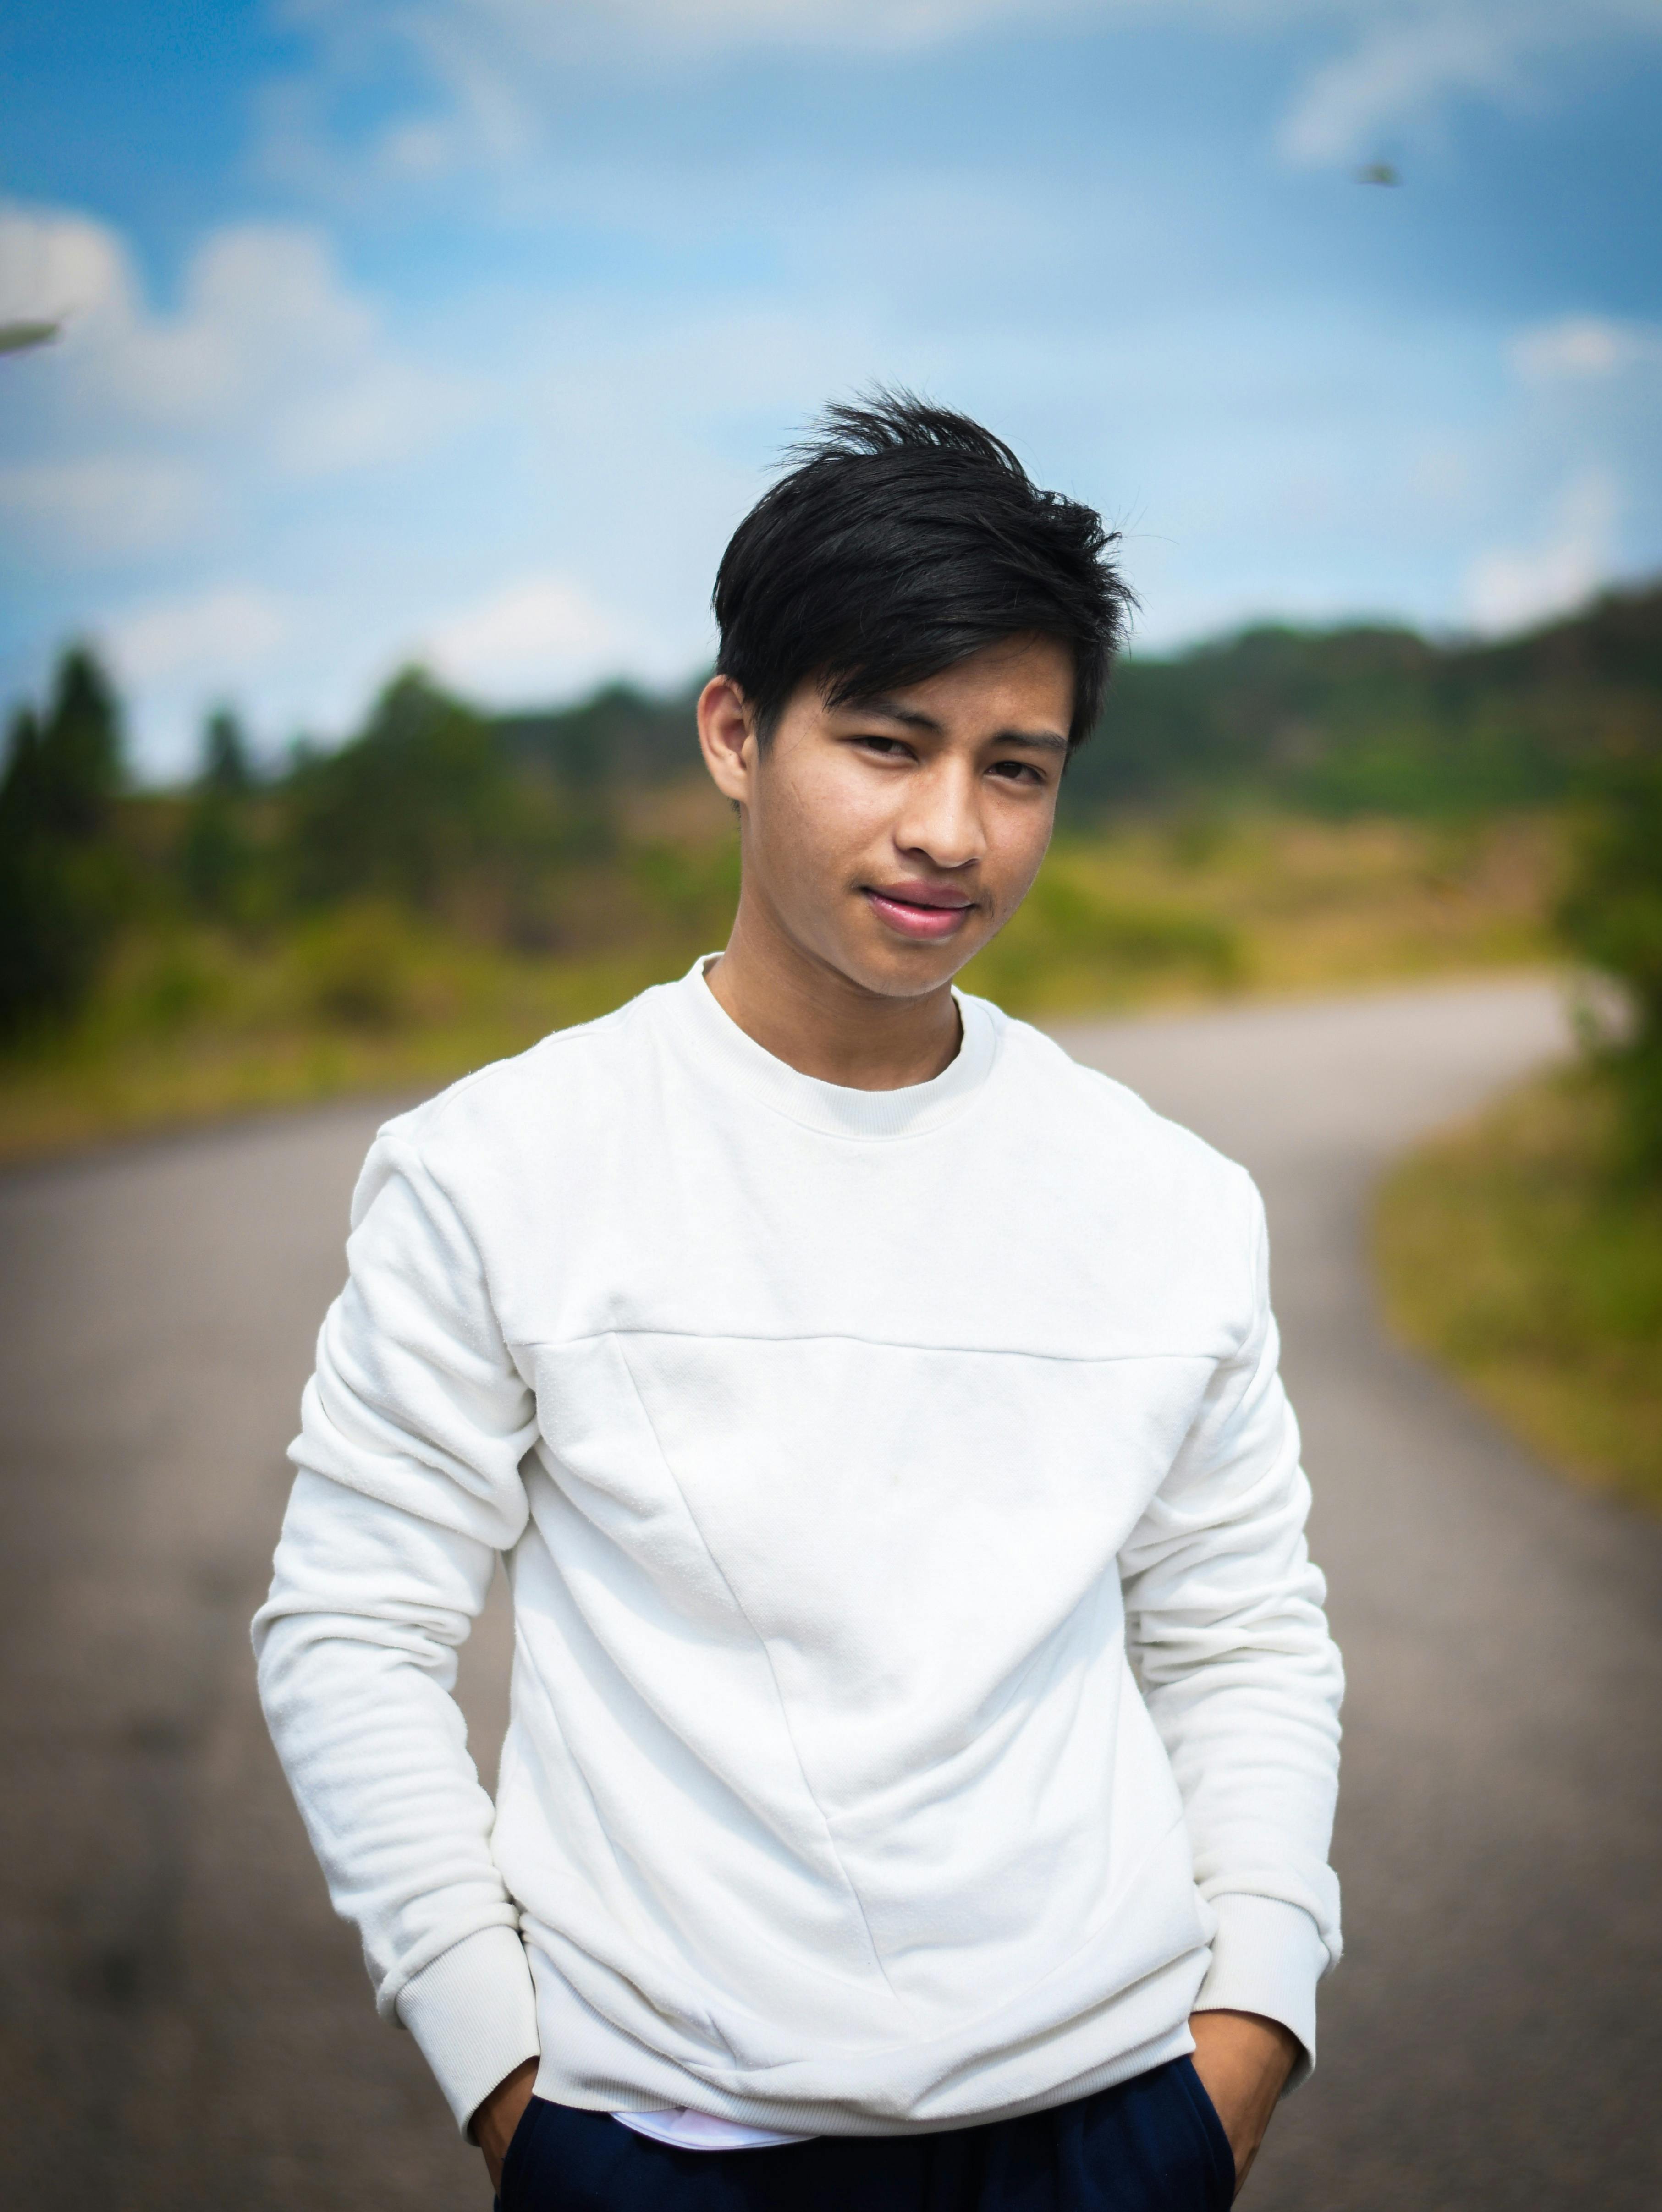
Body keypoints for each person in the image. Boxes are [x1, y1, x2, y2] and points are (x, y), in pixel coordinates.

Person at [254, 394, 1343, 2212]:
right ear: (737, 734)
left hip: (1112, 2129)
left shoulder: (1165, 1202)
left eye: (1018, 765)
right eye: (889, 742)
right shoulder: (501, 1169)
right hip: (658, 2145)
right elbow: (348, 1632)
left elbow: (1243, 1638)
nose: (950, 830)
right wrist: (513, 2088)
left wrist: (1247, 2040)